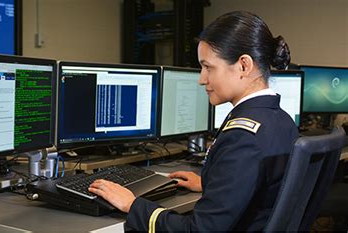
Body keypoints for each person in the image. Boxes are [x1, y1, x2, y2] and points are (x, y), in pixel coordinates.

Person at [88, 11, 299, 232]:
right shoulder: (282, 121)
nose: (201, 79)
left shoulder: (242, 138)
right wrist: (208, 184)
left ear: (244, 66)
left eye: (208, 67)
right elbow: (259, 186)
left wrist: (132, 205)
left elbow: (198, 230)